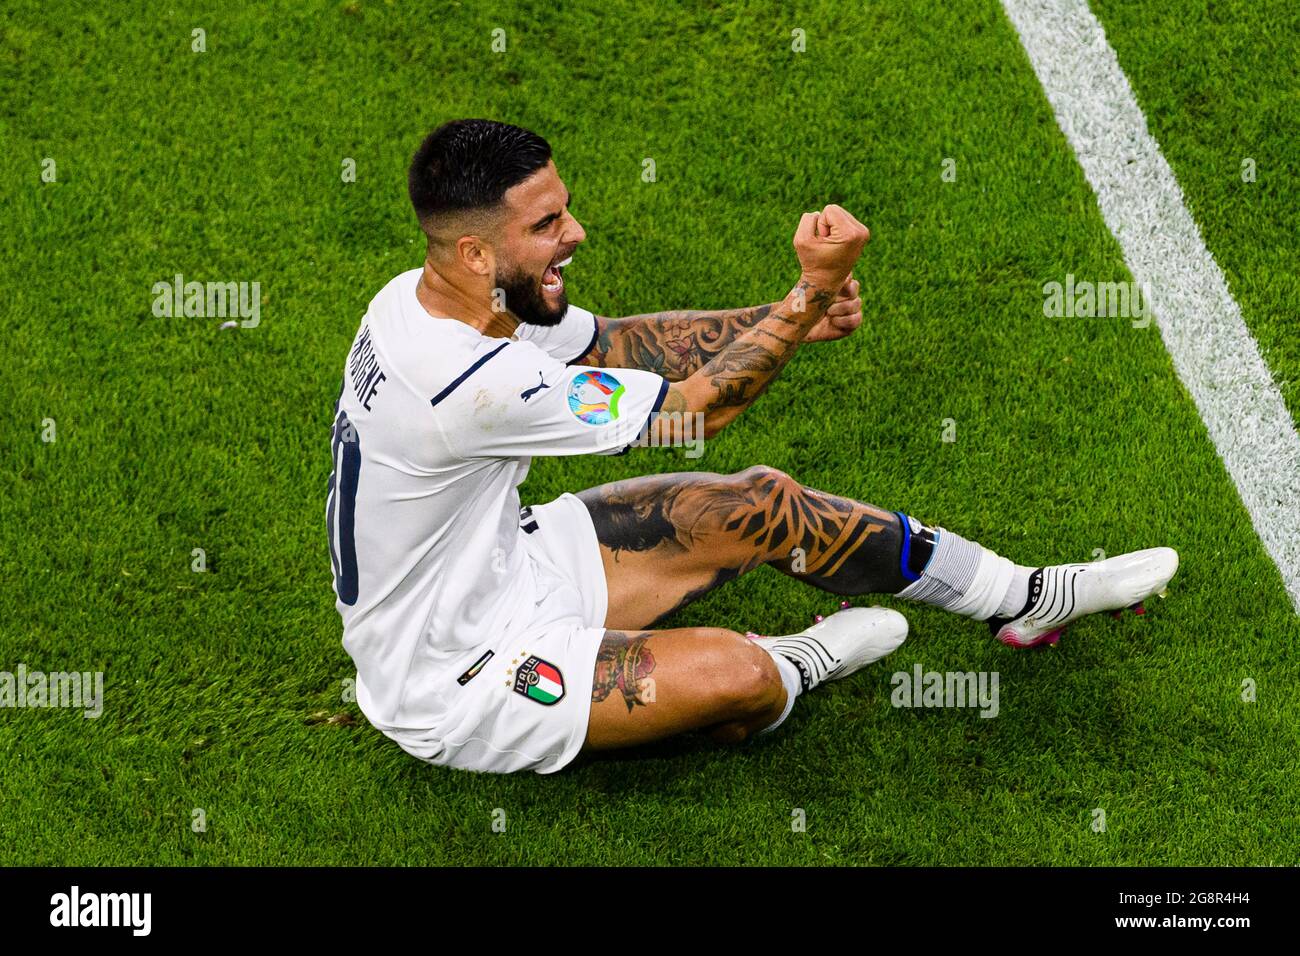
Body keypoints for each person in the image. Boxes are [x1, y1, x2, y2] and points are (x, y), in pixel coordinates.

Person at [325, 118, 1178, 774]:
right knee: (737, 678)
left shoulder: (427, 296)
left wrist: (780, 320)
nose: (576, 233)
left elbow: (615, 346)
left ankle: (1020, 597)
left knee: (762, 501)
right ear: (477, 250)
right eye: (548, 223)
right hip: (459, 676)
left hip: (510, 568)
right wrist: (807, 295)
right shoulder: (466, 383)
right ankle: (793, 665)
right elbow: (692, 412)